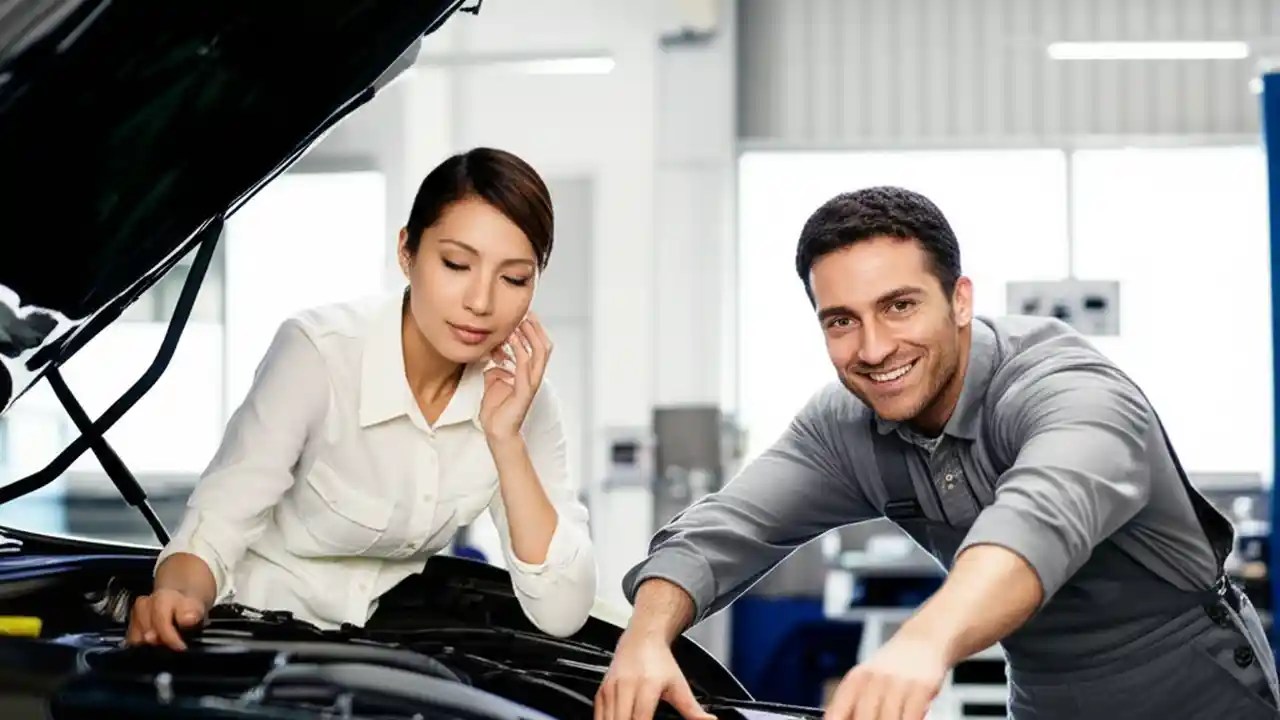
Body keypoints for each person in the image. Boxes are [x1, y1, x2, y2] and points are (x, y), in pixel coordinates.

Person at [596, 186, 1280, 720]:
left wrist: (923, 644)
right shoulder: (845, 424)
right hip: (1043, 697)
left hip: (1194, 691)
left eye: (899, 306)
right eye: (841, 320)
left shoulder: (1071, 393)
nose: (872, 348)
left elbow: (1039, 521)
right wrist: (647, 635)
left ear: (960, 300)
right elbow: (728, 528)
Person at [126, 147, 597, 649]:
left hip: (381, 658)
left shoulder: (522, 400)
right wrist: (177, 598)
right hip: (253, 642)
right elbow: (214, 529)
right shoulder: (318, 354)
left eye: (513, 278)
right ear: (406, 252)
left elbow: (562, 612)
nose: (480, 302)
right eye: (457, 263)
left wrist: (505, 440)